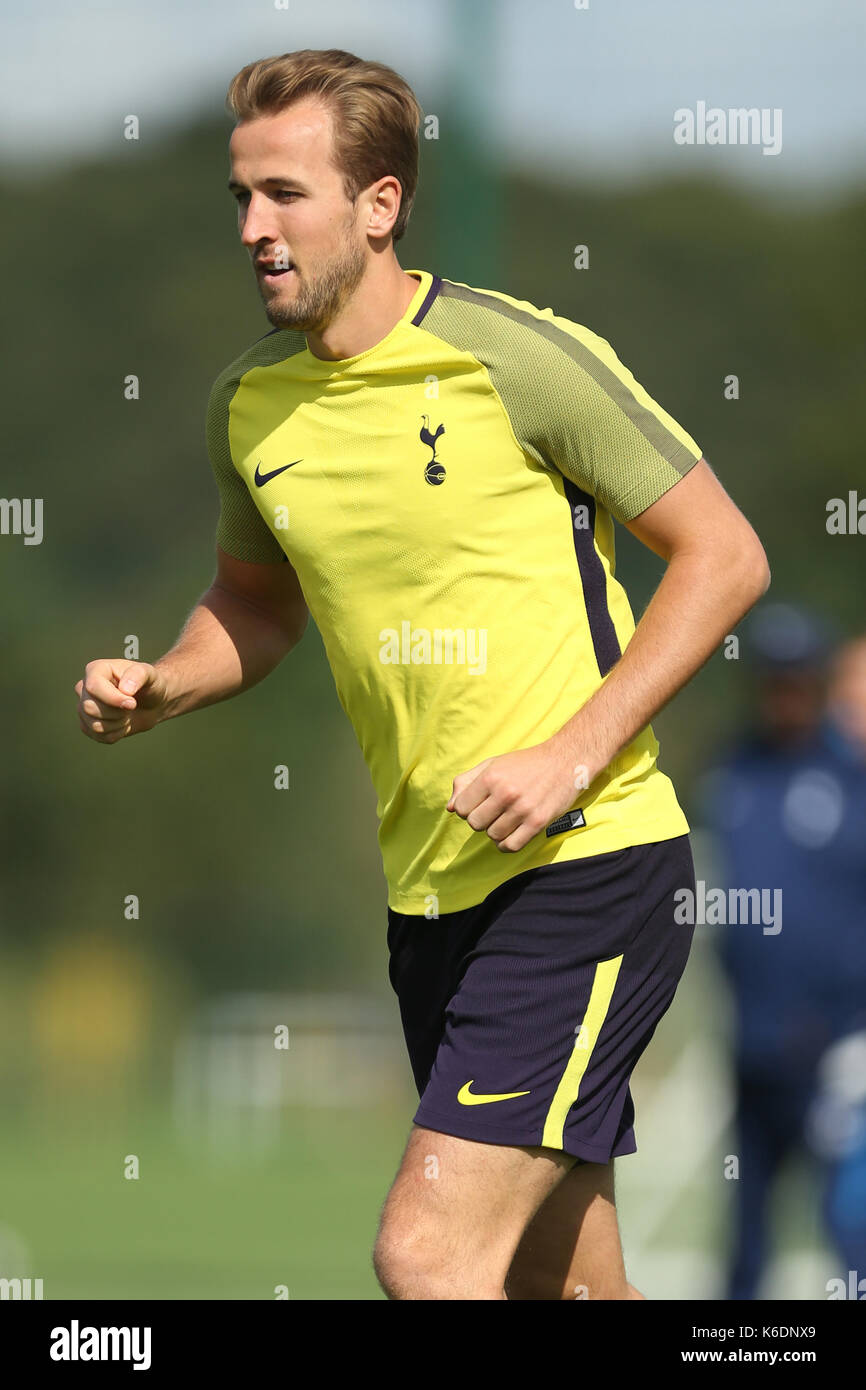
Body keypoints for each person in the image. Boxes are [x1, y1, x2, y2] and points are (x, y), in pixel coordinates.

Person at [74, 48, 769, 1300]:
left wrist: (568, 756)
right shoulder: (248, 407)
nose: (253, 227)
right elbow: (252, 602)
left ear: (378, 204)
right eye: (239, 197)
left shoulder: (519, 357)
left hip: (590, 868)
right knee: (561, 1283)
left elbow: (722, 556)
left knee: (427, 1251)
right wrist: (167, 680)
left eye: (285, 194)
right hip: (431, 905)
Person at [702, 604, 866, 1299]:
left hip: (843, 1052)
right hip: (756, 1046)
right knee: (745, 1238)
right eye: (775, 679)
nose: (786, 694)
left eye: (799, 679)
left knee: (850, 1225)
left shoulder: (852, 775)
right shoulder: (733, 773)